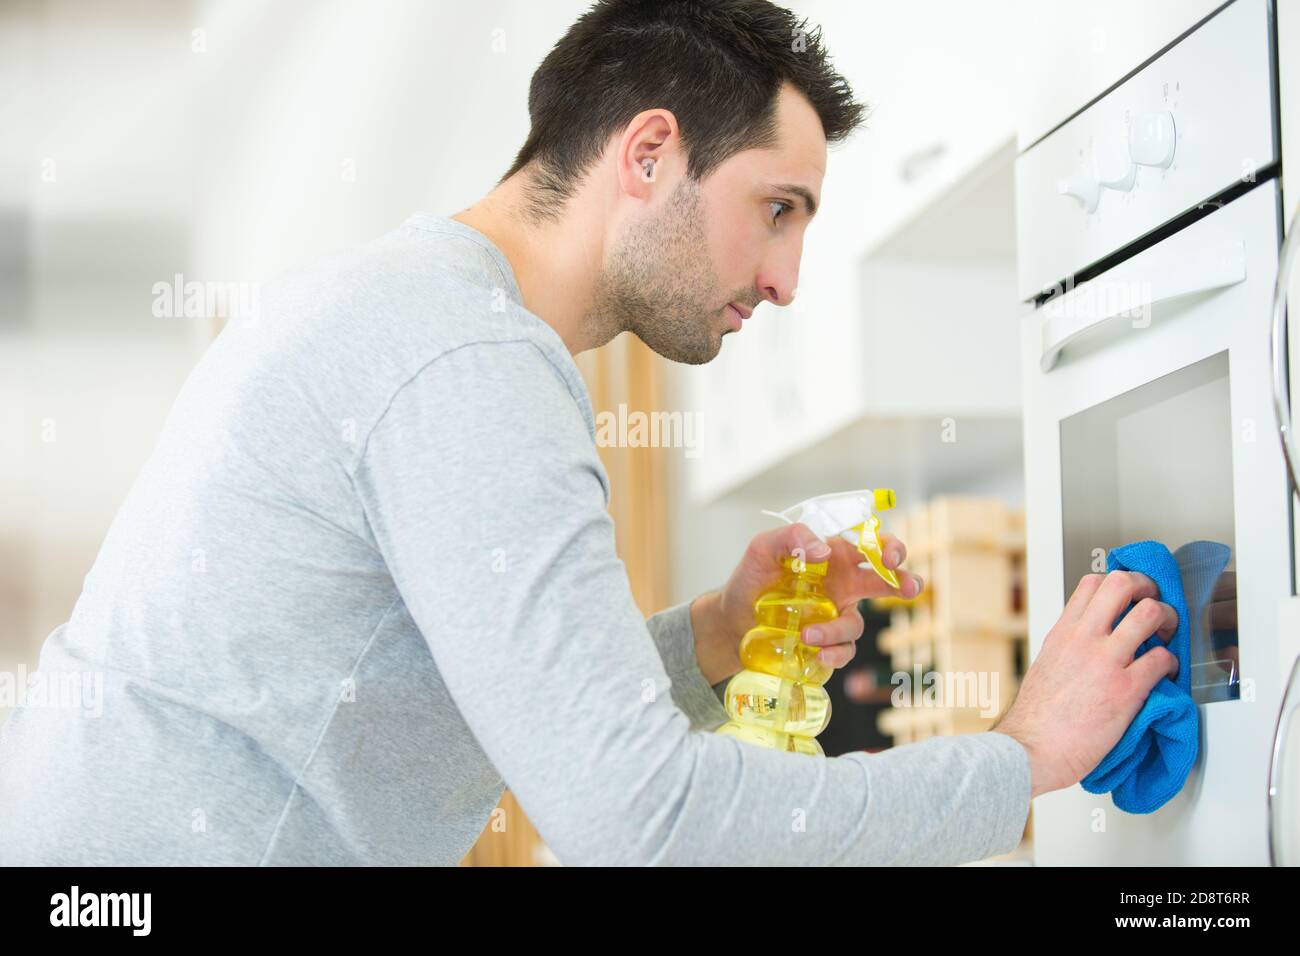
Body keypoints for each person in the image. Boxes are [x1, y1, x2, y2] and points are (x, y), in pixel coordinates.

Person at [0, 0, 1179, 866]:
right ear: (650, 153)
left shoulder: (420, 313)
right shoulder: (467, 360)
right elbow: (641, 818)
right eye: (776, 210)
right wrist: (1019, 759)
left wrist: (717, 634)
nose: (784, 278)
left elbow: (483, 699)